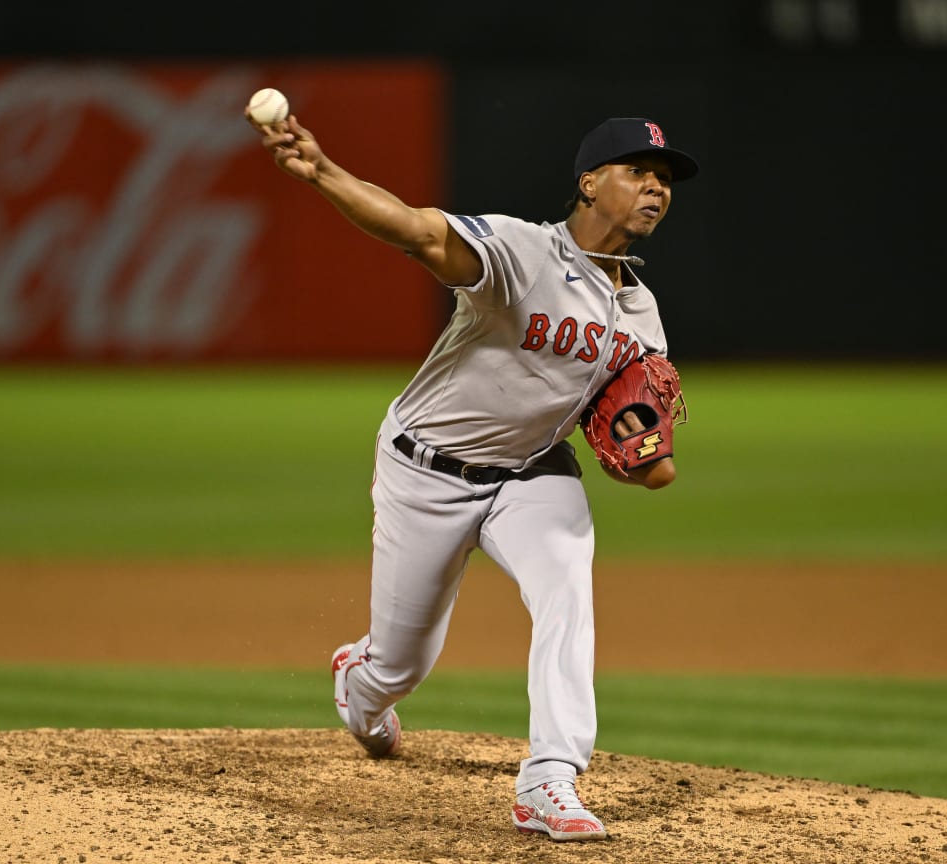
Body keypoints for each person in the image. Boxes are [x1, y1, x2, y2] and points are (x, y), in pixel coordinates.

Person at [249, 108, 698, 841]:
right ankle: (360, 685)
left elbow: (639, 455)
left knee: (567, 590)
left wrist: (650, 462)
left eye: (666, 179)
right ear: (588, 182)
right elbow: (417, 230)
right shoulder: (522, 252)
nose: (657, 188)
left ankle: (550, 780)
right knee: (399, 667)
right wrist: (324, 172)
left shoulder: (641, 313)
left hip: (532, 473)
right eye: (638, 172)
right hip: (425, 469)